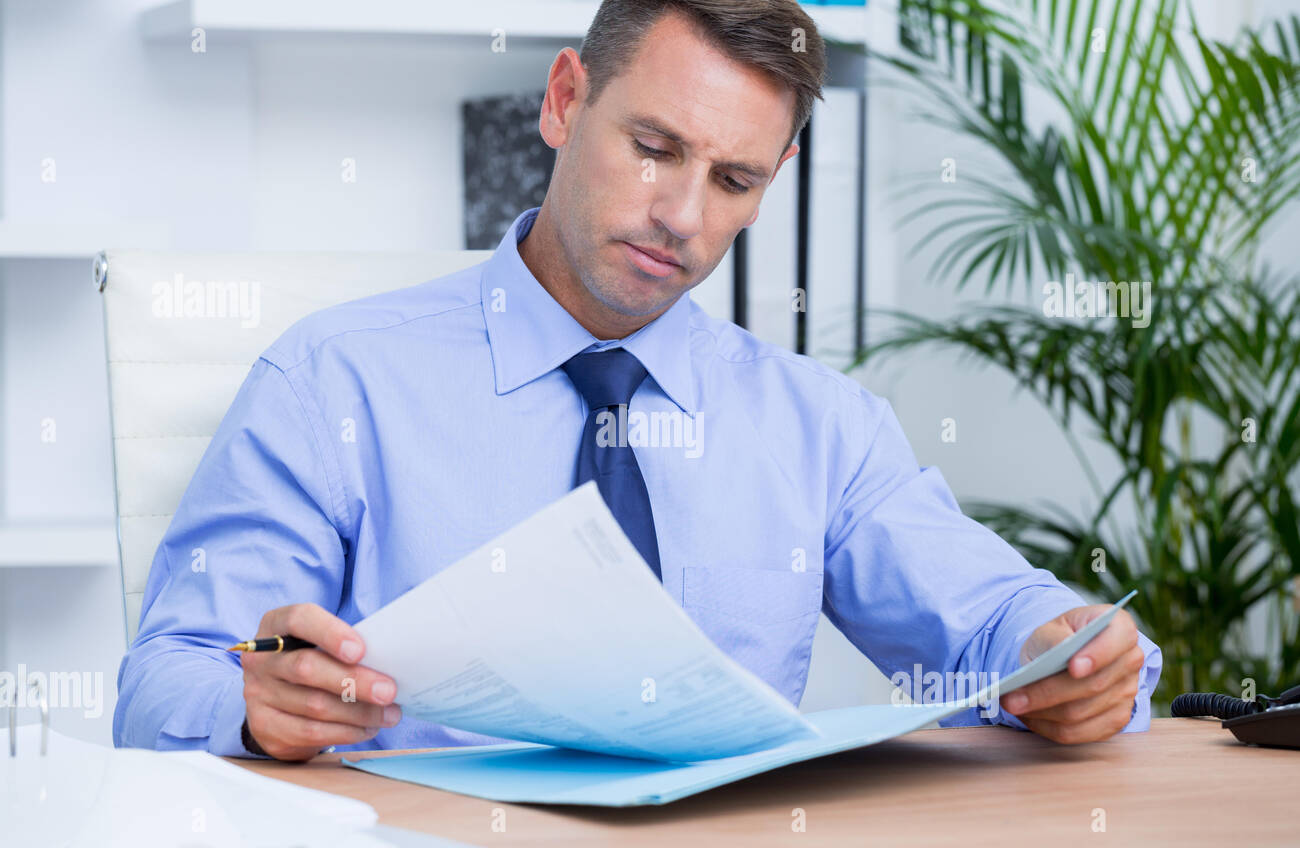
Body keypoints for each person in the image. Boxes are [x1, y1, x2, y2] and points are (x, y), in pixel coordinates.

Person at [114, 0, 1161, 762]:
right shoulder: (331, 381)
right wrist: (259, 705)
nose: (684, 217)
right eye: (655, 148)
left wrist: (1070, 654)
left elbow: (999, 621)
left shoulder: (818, 427)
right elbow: (166, 682)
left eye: (735, 179)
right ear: (565, 100)